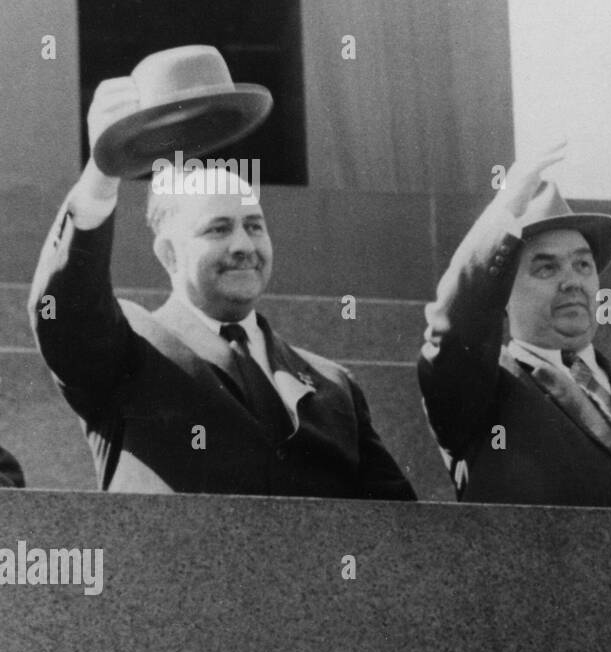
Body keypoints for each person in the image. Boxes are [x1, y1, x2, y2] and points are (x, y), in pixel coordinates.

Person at [29, 50, 415, 500]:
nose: (243, 246)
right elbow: (64, 313)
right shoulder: (125, 350)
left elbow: (402, 530)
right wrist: (100, 176)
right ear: (169, 253)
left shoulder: (334, 385)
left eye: (254, 226)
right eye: (217, 228)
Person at [418, 144, 611, 509]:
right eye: (547, 268)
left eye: (583, 265)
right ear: (502, 293)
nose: (572, 281)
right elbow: (457, 326)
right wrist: (507, 207)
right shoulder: (480, 394)